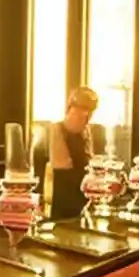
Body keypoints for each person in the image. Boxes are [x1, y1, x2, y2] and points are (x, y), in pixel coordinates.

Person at [42, 86, 99, 220]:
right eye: (82, 110)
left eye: (90, 112)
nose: (86, 117)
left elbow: (89, 162)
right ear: (70, 109)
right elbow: (63, 170)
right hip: (64, 198)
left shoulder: (86, 131)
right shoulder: (56, 129)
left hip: (83, 195)